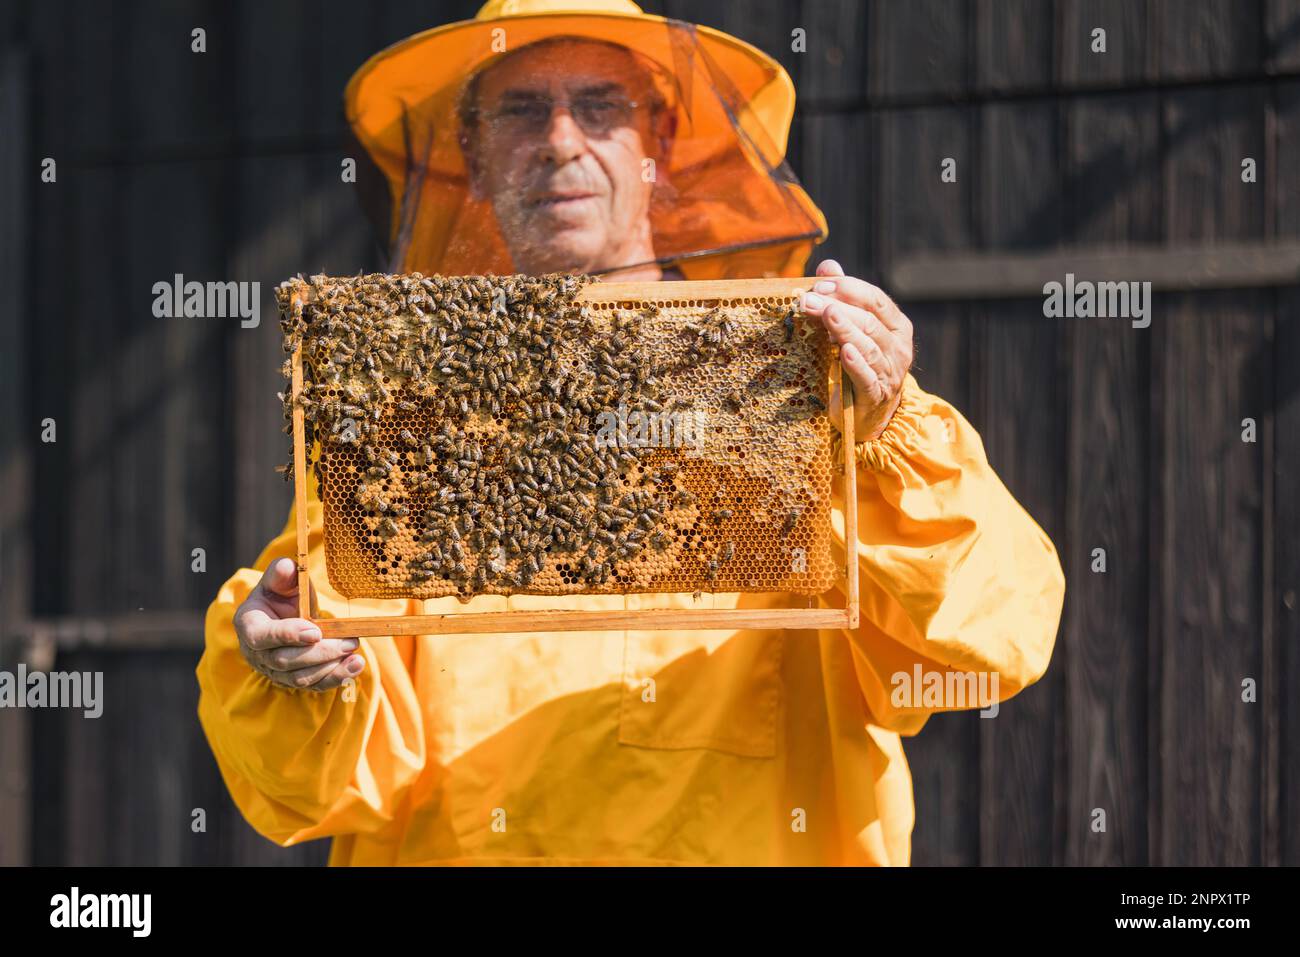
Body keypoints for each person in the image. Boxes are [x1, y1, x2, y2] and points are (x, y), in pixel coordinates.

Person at [197, 0, 1065, 866]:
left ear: (662, 141)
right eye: (521, 109)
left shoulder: (793, 389)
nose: (561, 139)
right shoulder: (416, 417)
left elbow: (989, 643)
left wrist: (882, 433)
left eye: (602, 106)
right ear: (472, 154)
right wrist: (288, 658)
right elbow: (314, 780)